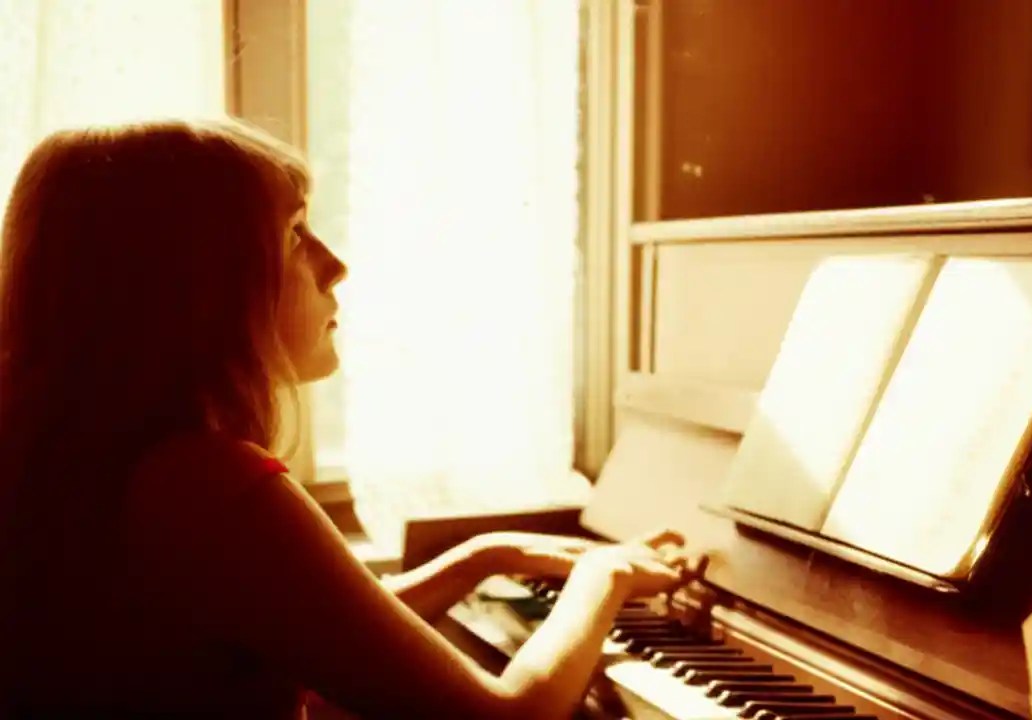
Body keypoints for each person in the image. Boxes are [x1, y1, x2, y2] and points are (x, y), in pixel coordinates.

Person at [0, 118, 698, 719]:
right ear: (195, 282)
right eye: (295, 233)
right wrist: (604, 576)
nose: (335, 266)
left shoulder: (88, 455)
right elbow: (505, 716)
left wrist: (483, 557)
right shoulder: (205, 485)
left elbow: (310, 628)